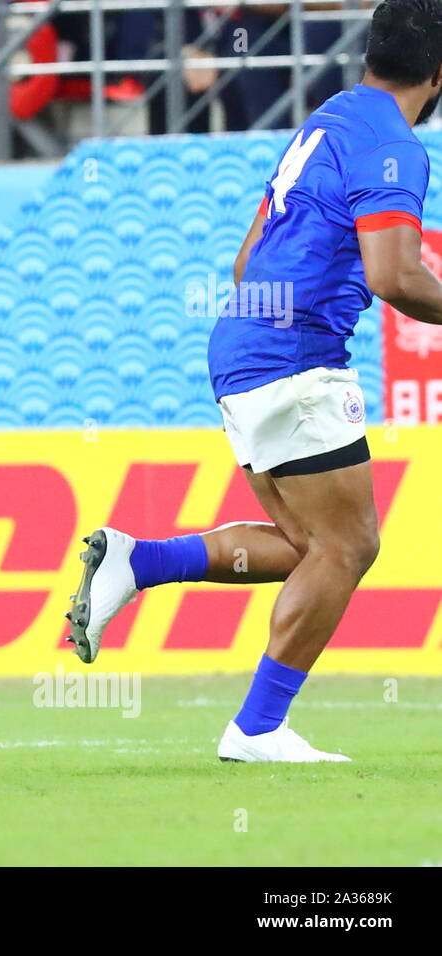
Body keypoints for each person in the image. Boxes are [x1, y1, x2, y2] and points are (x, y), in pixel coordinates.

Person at [68, 0, 442, 763]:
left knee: (312, 544)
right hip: (292, 354)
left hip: (242, 344)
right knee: (347, 547)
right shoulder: (395, 147)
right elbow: (396, 273)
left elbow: (247, 261)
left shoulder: (331, 117)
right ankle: (259, 728)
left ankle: (140, 561)